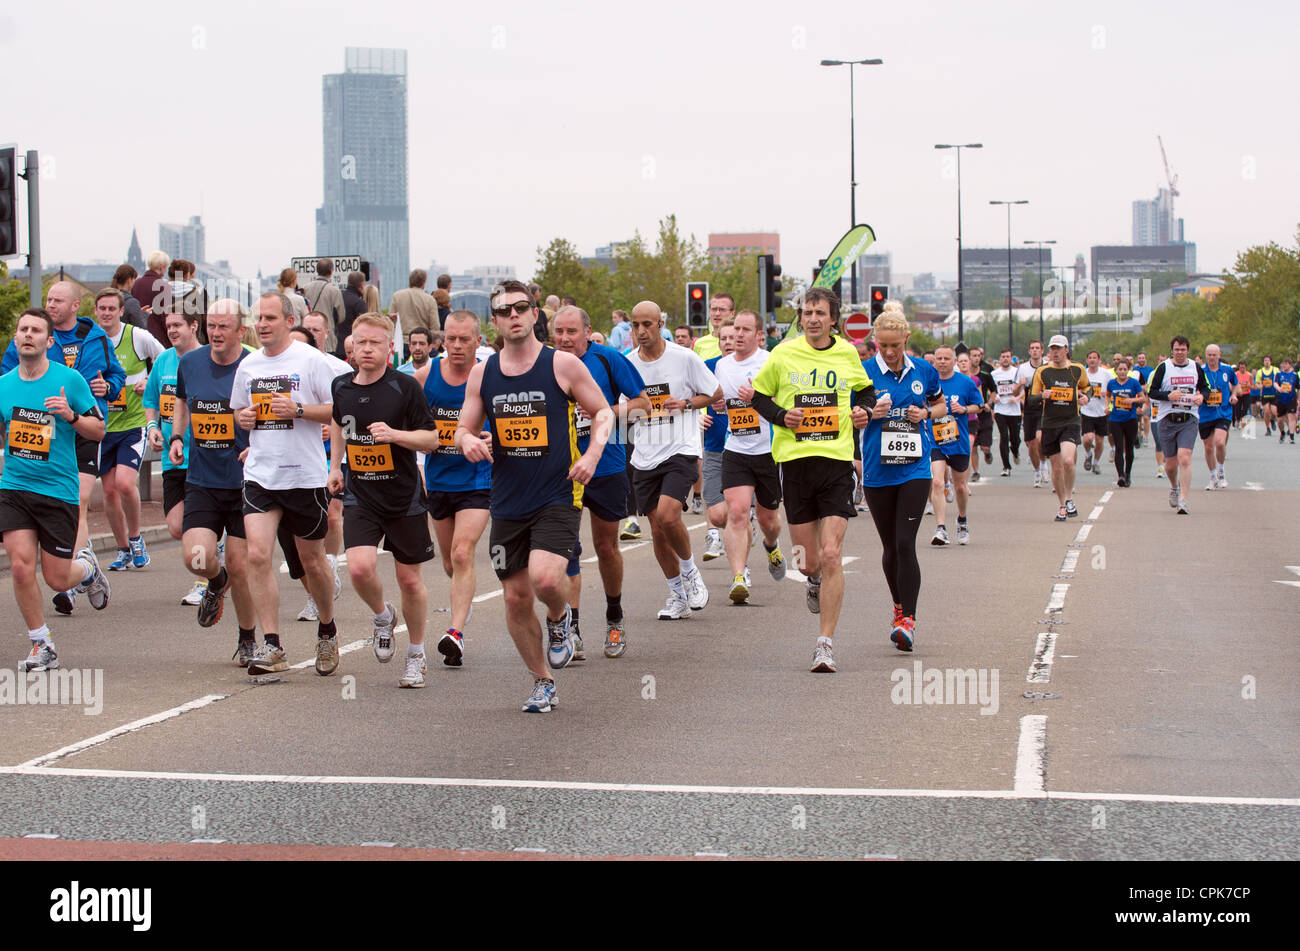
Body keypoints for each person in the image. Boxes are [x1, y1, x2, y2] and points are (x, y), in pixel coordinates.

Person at [455, 281, 613, 713]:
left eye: (521, 307)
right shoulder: (483, 373)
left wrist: (594, 454)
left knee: (545, 579)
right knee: (515, 597)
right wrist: (467, 440)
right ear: (496, 320)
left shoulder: (561, 365)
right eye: (504, 311)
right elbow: (462, 427)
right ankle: (542, 681)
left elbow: (603, 412)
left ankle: (560, 620)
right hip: (507, 500)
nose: (513, 315)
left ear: (535, 313)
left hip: (558, 492)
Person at [751, 288, 873, 671]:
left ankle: (825, 644)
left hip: (836, 462)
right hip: (795, 463)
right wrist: (781, 416)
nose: (813, 319)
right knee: (807, 562)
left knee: (832, 553)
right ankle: (813, 580)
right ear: (800, 317)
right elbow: (758, 397)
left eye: (820, 313)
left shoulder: (846, 353)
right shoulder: (784, 354)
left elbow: (866, 392)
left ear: (833, 319)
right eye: (807, 313)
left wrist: (862, 411)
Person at [230, 292, 343, 674]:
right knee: (258, 556)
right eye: (258, 317)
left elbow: (337, 409)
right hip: (262, 473)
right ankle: (272, 645)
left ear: (288, 320)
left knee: (312, 561)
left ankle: (327, 629)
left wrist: (298, 409)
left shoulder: (312, 361)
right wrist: (243, 420)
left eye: (270, 318)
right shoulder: (248, 365)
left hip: (304, 476)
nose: (262, 324)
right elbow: (237, 413)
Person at [2, 282, 125, 616]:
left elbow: (116, 376)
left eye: (57, 300)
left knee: (82, 503)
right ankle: (41, 640)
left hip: (78, 427)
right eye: (23, 329)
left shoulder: (93, 339)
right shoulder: (11, 371)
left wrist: (104, 390)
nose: (51, 304)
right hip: (18, 481)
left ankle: (82, 566)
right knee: (22, 566)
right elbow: (7, 388)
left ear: (74, 305)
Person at [328, 314, 438, 687]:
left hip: (403, 496)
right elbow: (338, 426)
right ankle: (381, 616)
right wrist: (336, 467)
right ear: (352, 347)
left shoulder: (404, 387)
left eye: (376, 343)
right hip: (361, 493)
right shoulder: (340, 386)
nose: (368, 349)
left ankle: (416, 654)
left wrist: (394, 435)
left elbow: (431, 440)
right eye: (361, 343)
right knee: (358, 568)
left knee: (409, 580)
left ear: (390, 348)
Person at [551, 305, 649, 657]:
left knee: (606, 547)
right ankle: (572, 628)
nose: (564, 338)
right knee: (566, 549)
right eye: (558, 332)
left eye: (571, 332)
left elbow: (644, 405)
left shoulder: (608, 359)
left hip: (606, 466)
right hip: (561, 470)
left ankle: (614, 616)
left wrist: (604, 411)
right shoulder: (546, 365)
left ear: (587, 331)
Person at [168, 300, 259, 651]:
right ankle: (215, 582)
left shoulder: (255, 366)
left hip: (244, 481)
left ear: (240, 330)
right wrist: (178, 436)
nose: (216, 333)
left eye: (224, 327)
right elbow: (182, 401)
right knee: (196, 557)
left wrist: (260, 446)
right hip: (203, 479)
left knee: (240, 565)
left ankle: (248, 637)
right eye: (211, 326)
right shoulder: (190, 362)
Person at [626, 300, 721, 621]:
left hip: (680, 447)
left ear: (660, 323)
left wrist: (687, 403)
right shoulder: (627, 363)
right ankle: (677, 595)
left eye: (647, 324)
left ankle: (691, 572)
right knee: (656, 529)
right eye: (635, 325)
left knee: (668, 516)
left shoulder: (684, 358)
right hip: (644, 453)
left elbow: (715, 392)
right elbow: (622, 405)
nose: (641, 331)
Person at [414, 311, 493, 666]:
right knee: (449, 562)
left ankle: (455, 632)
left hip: (478, 480)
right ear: (441, 340)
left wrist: (496, 438)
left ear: (478, 341)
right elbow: (405, 417)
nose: (456, 346)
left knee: (463, 554)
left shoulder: (490, 376)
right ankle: (463, 601)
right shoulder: (425, 375)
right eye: (450, 339)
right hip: (439, 481)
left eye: (464, 339)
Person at [711, 309, 787, 602]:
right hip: (736, 449)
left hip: (768, 450)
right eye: (735, 330)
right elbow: (722, 401)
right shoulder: (722, 365)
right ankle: (738, 576)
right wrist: (721, 406)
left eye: (745, 330)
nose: (738, 335)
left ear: (758, 335)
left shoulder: (770, 362)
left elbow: (784, 399)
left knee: (769, 519)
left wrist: (758, 399)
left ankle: (771, 544)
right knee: (738, 511)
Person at [94, 288, 166, 571]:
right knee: (109, 492)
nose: (107, 313)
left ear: (121, 311)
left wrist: (148, 380)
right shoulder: (91, 342)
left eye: (112, 308)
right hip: (101, 426)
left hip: (132, 424)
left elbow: (167, 362)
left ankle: (136, 538)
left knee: (125, 484)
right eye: (102, 308)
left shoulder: (137, 336)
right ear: (96, 311)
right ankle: (122, 548)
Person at [143, 309, 203, 602]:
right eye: (168, 326)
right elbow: (151, 400)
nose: (172, 330)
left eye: (178, 324)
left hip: (205, 456)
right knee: (177, 527)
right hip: (172, 456)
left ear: (194, 326)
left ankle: (205, 580)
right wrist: (153, 427)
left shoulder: (208, 359)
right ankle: (217, 552)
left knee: (198, 523)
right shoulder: (164, 361)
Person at [1027, 334, 1090, 522]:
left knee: (1068, 461)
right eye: (1052, 349)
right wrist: (1042, 396)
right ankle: (1062, 505)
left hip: (1071, 421)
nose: (1055, 352)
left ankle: (1070, 498)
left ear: (1066, 350)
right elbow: (1031, 398)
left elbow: (1088, 388)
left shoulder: (1077, 369)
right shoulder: (1042, 372)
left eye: (1059, 348)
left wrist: (1087, 397)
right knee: (1056, 469)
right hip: (1050, 423)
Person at [1145, 335, 1209, 515]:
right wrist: (1168, 396)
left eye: (1183, 349)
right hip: (1167, 419)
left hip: (1189, 418)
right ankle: (1174, 487)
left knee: (1185, 457)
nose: (1180, 352)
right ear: (1171, 351)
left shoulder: (1195, 368)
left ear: (1188, 350)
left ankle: (1183, 500)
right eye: (1176, 349)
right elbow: (1152, 392)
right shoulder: (1163, 367)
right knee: (1171, 465)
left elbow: (1206, 388)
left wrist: (1202, 396)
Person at [928, 345, 982, 545]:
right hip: (936, 440)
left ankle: (962, 519)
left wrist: (965, 409)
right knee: (937, 482)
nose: (942, 362)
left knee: (960, 487)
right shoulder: (929, 383)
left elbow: (980, 405)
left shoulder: (965, 382)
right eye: (938, 358)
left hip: (958, 441)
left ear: (954, 362)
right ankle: (941, 528)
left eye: (946, 358)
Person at [700, 324, 736, 563]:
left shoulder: (754, 366)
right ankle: (715, 534)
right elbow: (689, 395)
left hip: (746, 446)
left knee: (744, 511)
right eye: (724, 338)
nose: (729, 342)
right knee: (716, 508)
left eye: (733, 337)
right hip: (714, 444)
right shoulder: (708, 366)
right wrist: (697, 416)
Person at [1199, 344, 1238, 489]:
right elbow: (1195, 388)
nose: (1211, 358)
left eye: (1214, 355)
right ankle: (1213, 476)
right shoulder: (1200, 371)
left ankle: (1221, 470)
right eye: (1209, 355)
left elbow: (1236, 384)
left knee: (1220, 442)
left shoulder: (1227, 370)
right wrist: (1198, 396)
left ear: (1219, 355)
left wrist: (1234, 395)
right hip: (1205, 413)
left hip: (1223, 411)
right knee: (1208, 447)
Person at [1104, 357, 1146, 486]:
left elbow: (1143, 398)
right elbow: (1107, 394)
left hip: (1130, 419)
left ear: (1128, 370)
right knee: (1118, 447)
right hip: (1115, 418)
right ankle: (1120, 476)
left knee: (1129, 448)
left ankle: (1127, 474)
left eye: (1124, 369)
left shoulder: (1133, 383)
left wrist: (1132, 401)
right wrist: (1107, 406)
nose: (1122, 372)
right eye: (1120, 369)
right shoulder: (1112, 383)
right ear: (1116, 370)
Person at [1014, 340, 1048, 487]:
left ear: (1042, 351)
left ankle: (1044, 463)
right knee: (1031, 444)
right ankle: (1037, 471)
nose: (1035, 351)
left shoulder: (1047, 367)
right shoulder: (1022, 368)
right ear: (1029, 351)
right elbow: (1014, 391)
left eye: (1037, 348)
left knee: (1039, 438)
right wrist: (1020, 384)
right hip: (1029, 407)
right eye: (1032, 348)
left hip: (1044, 407)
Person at [1080, 350, 1114, 475]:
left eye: (1095, 358)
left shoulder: (1105, 374)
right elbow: (1077, 388)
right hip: (1087, 410)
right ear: (1087, 360)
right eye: (1090, 358)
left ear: (1099, 360)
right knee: (1088, 438)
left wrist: (1107, 394)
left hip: (1101, 412)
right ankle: (1088, 454)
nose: (1092, 360)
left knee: (1099, 440)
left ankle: (1095, 463)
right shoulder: (1083, 374)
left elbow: (1114, 388)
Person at [989, 346, 1021, 477]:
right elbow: (990, 391)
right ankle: (1006, 466)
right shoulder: (994, 374)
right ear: (1000, 359)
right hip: (1000, 409)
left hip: (1014, 410)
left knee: (1015, 438)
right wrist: (993, 398)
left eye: (1008, 357)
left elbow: (1023, 390)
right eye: (1003, 357)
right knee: (1004, 436)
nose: (1005, 359)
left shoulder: (1016, 372)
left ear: (1011, 358)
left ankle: (1015, 450)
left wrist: (1017, 398)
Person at [301, 259, 346, 353]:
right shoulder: (334, 290)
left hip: (308, 334)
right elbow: (341, 316)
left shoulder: (305, 288)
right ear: (331, 271)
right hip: (327, 336)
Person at [391, 269, 439, 349]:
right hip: (421, 342)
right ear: (423, 283)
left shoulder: (397, 296)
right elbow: (435, 326)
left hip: (401, 342)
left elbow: (391, 321)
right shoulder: (430, 300)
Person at [133, 250, 173, 344]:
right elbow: (165, 315)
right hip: (159, 336)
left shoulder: (136, 284)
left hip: (139, 334)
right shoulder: (164, 286)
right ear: (161, 267)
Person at [693, 292, 735, 361]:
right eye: (714, 309)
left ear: (732, 313)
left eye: (722, 309)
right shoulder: (699, 343)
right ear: (709, 311)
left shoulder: (739, 341)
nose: (717, 313)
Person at [112, 264, 148, 329]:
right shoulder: (132, 303)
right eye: (134, 279)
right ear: (129, 280)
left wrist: (138, 312)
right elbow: (140, 329)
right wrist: (145, 315)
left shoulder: (110, 298)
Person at [1273, 357, 1297, 444]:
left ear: (1290, 365)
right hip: (1280, 399)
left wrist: (1298, 399)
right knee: (1279, 420)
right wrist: (1278, 388)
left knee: (1291, 417)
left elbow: (1298, 387)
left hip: (1291, 398)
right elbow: (1275, 383)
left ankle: (1291, 436)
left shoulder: (1294, 375)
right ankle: (1282, 433)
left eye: (1286, 364)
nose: (1284, 365)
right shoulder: (1279, 374)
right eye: (1283, 364)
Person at [1255, 356, 1278, 436]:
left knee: (1274, 412)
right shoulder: (1260, 372)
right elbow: (1257, 383)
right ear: (1263, 362)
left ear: (1270, 362)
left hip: (1274, 394)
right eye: (1265, 360)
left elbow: (1279, 380)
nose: (1267, 362)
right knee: (1267, 411)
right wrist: (1259, 386)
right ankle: (1268, 429)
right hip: (1265, 394)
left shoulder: (1275, 370)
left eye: (1268, 360)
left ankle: (1272, 420)